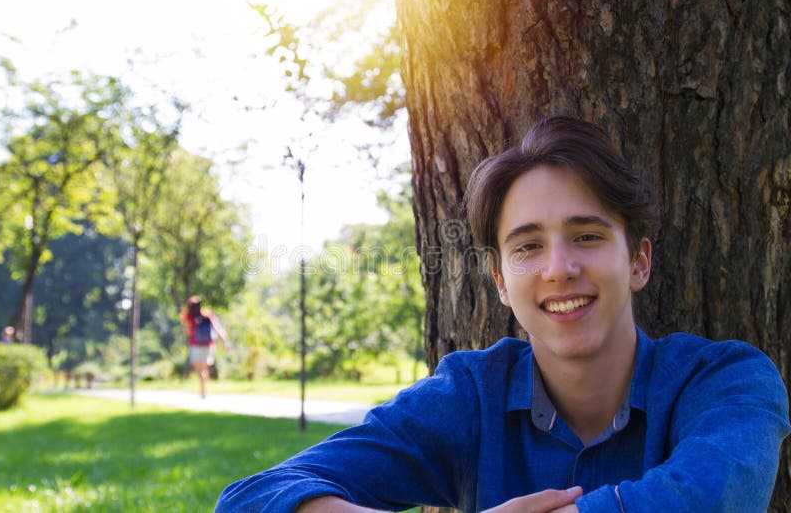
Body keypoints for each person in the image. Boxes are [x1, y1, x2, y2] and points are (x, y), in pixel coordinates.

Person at [215, 116, 790, 513]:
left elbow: (716, 494)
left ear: (638, 261)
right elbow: (252, 498)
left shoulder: (727, 380)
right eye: (527, 246)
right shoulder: (471, 397)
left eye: (586, 235)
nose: (558, 268)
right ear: (500, 282)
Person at [181, 296, 230, 398]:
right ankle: (203, 387)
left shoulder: (188, 316)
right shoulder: (207, 314)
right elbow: (217, 328)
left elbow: (187, 332)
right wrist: (224, 341)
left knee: (199, 370)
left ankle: (202, 389)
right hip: (208, 345)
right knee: (204, 368)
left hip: (195, 345)